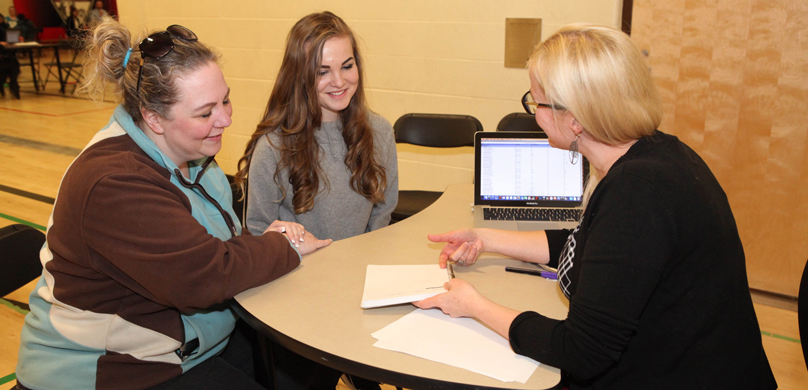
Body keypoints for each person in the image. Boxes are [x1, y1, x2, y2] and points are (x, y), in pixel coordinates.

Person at [415, 24, 778, 390]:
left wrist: (475, 306)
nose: (533, 113)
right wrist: (484, 238)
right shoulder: (658, 154)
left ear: (574, 119)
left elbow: (581, 351)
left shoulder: (638, 193)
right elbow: (587, 247)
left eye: (536, 102)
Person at [14, 21, 331, 390]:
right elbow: (206, 275)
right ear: (153, 118)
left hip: (185, 343)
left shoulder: (192, 154)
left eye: (225, 100)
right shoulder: (114, 183)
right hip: (112, 371)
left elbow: (214, 244)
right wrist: (282, 245)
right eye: (205, 112)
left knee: (311, 352)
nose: (226, 119)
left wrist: (260, 243)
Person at [233, 11, 397, 390]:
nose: (339, 81)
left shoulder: (380, 131)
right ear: (300, 75)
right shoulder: (273, 145)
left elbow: (383, 212)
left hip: (358, 288)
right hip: (299, 295)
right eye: (322, 71)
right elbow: (258, 228)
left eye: (347, 65)